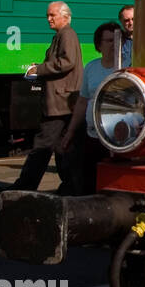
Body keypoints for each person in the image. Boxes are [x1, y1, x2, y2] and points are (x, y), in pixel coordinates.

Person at [10, 2, 82, 192]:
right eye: (48, 15)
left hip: (59, 102)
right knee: (60, 148)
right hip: (61, 100)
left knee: (41, 147)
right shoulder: (62, 35)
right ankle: (70, 185)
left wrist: (38, 69)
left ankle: (24, 187)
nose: (49, 19)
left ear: (65, 16)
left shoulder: (67, 34)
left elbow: (67, 62)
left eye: (52, 15)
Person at [59, 22, 120, 196]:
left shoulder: (127, 66)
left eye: (116, 40)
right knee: (88, 177)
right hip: (93, 133)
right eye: (109, 41)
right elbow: (82, 101)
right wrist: (70, 132)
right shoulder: (91, 67)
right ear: (99, 45)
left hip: (115, 136)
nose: (113, 44)